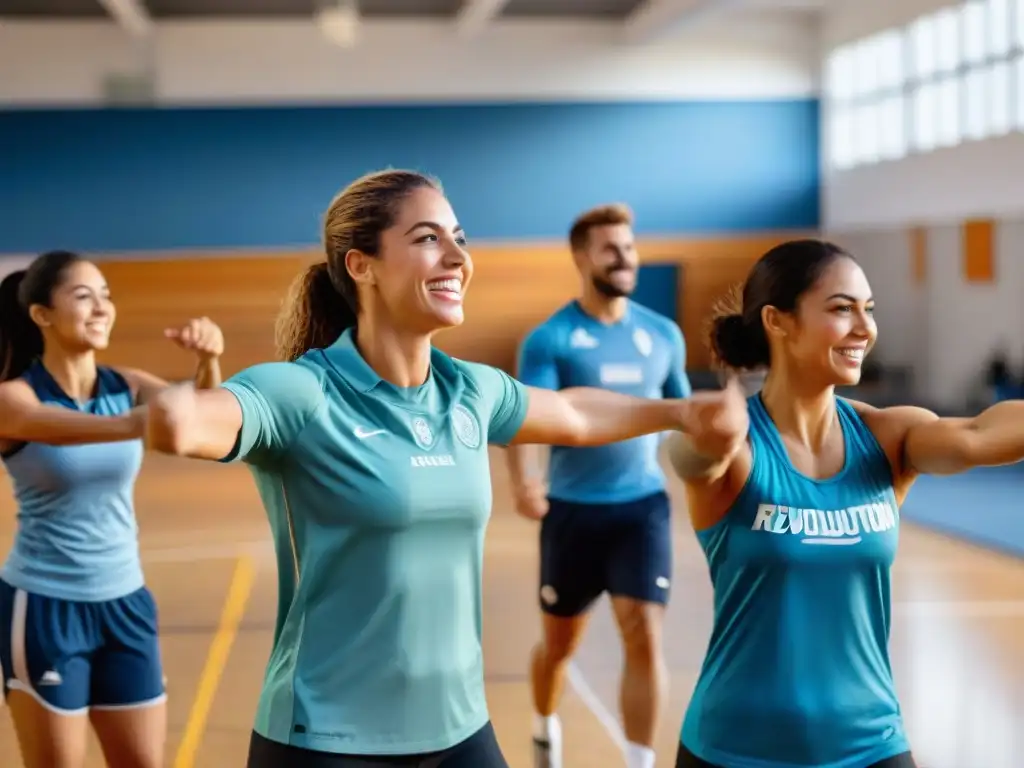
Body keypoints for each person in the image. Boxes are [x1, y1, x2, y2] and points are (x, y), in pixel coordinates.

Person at [142, 169, 734, 768]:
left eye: (460, 239)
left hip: (458, 730)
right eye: (428, 239)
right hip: (326, 737)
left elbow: (575, 413)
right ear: (361, 266)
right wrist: (175, 409)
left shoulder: (468, 389)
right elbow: (192, 421)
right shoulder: (304, 392)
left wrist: (679, 411)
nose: (457, 257)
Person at [665, 239, 1024, 768]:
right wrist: (701, 437)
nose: (865, 328)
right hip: (736, 748)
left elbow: (976, 434)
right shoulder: (740, 448)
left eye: (868, 310)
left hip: (871, 743)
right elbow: (692, 461)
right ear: (777, 321)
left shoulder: (889, 439)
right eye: (842, 309)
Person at [0, 249, 225, 768]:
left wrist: (208, 362)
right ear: (42, 315)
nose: (102, 307)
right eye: (83, 296)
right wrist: (158, 415)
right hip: (45, 607)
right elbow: (104, 429)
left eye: (106, 295)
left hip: (125, 602)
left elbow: (200, 425)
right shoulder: (15, 401)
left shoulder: (128, 386)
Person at [505, 203, 690, 768]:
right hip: (572, 514)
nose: (625, 258)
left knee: (644, 634)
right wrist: (524, 481)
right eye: (611, 248)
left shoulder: (662, 335)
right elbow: (526, 416)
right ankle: (544, 725)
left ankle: (639, 760)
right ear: (582, 257)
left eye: (630, 247)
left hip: (642, 509)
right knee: (560, 647)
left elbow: (684, 417)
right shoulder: (551, 339)